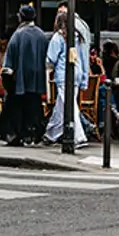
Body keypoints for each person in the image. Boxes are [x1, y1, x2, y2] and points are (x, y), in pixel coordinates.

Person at [1, 5, 49, 145]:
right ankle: (34, 132)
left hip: (20, 77)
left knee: (17, 106)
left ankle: (17, 133)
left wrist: (6, 72)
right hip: (37, 78)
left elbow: (10, 58)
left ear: (21, 16)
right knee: (34, 105)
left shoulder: (18, 35)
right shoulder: (41, 35)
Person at [43, 8, 89, 146]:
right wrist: (84, 78)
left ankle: (79, 136)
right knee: (61, 105)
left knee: (69, 105)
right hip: (77, 74)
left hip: (64, 75)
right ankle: (52, 133)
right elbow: (84, 58)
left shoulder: (58, 37)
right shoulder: (79, 37)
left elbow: (51, 58)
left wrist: (48, 66)